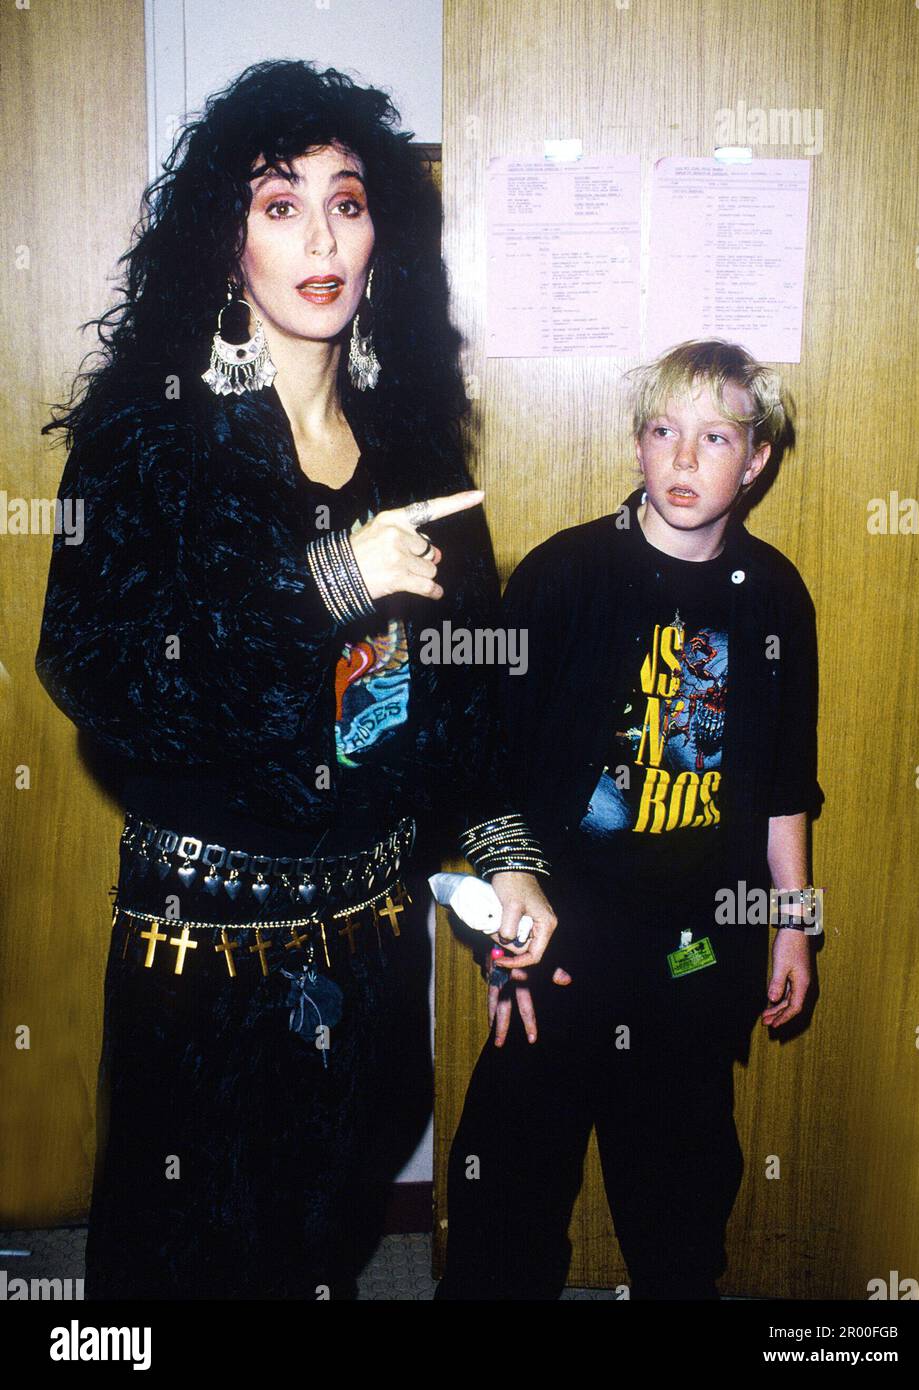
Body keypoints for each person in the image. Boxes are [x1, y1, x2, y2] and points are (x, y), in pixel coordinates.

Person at [35, 59, 555, 1301]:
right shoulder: (147, 435)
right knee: (187, 1255)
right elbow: (98, 672)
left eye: (348, 200)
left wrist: (508, 853)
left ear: (384, 237)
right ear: (229, 245)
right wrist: (324, 581)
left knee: (329, 1234)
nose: (322, 234)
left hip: (373, 933)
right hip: (202, 944)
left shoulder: (420, 451)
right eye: (280, 204)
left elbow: (467, 694)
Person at [436, 339, 824, 1301]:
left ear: (758, 457)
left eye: (716, 437)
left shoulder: (776, 596)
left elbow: (786, 786)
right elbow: (490, 773)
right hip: (560, 948)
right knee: (506, 1214)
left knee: (682, 1222)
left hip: (695, 958)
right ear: (639, 443)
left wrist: (793, 924)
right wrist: (504, 935)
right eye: (664, 432)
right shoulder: (564, 578)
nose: (685, 460)